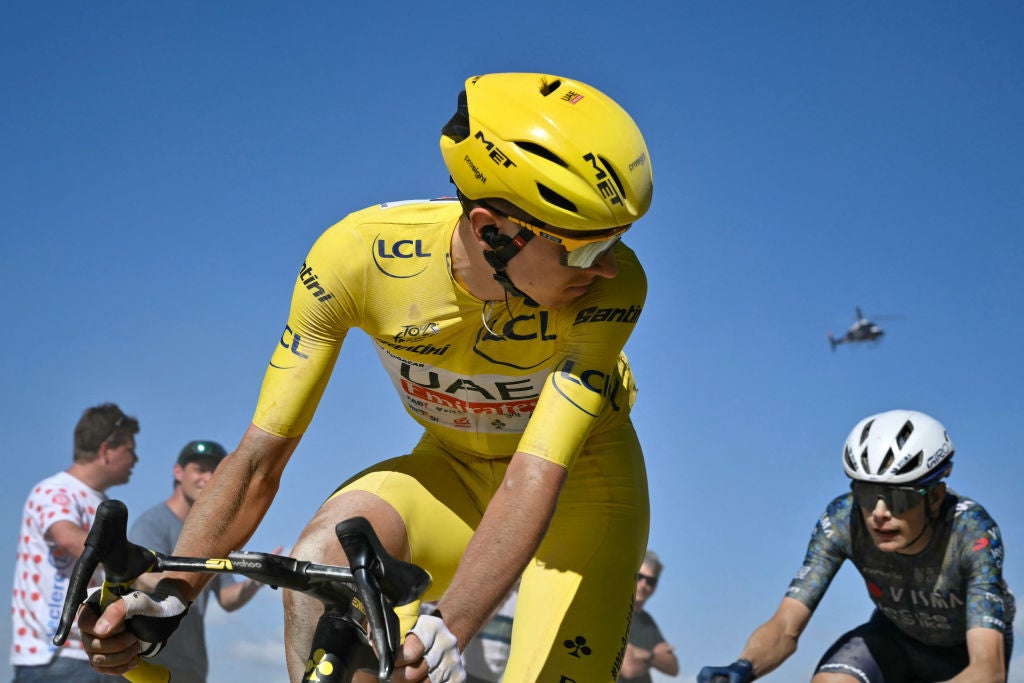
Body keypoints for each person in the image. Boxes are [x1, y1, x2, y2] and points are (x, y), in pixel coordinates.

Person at [79, 71, 654, 683]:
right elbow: (257, 463)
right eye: (584, 249)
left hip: (582, 493)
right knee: (320, 566)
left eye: (614, 242)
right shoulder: (357, 258)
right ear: (494, 229)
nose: (607, 267)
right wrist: (170, 594)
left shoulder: (614, 291)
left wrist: (447, 630)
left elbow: (534, 476)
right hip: (451, 474)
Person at [698, 409, 1015, 683]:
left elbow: (988, 670)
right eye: (866, 494)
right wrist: (743, 667)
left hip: (962, 654)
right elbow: (785, 627)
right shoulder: (843, 520)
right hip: (893, 639)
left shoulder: (971, 532)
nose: (879, 513)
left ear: (935, 497)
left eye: (899, 499)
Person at [123, 440, 278, 683]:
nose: (208, 478)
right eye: (200, 469)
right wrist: (186, 583)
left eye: (215, 472)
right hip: (151, 660)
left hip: (192, 665)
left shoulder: (213, 537)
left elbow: (227, 598)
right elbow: (139, 578)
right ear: (178, 472)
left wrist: (258, 579)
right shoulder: (152, 524)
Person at [11, 402, 139, 683]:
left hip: (95, 654)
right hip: (55, 657)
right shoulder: (54, 490)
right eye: (130, 449)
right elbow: (68, 537)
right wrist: (143, 570)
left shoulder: (102, 503)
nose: (136, 459)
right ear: (106, 450)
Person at [618, 550, 679, 682]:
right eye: (639, 577)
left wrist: (647, 655)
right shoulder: (614, 613)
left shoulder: (647, 621)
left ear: (655, 586)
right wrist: (656, 657)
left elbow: (673, 666)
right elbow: (629, 668)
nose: (643, 585)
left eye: (650, 581)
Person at [462, 582, 518, 682]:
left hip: (498, 678)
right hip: (468, 671)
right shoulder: (483, 591)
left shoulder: (523, 598)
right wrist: (497, 603)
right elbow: (467, 630)